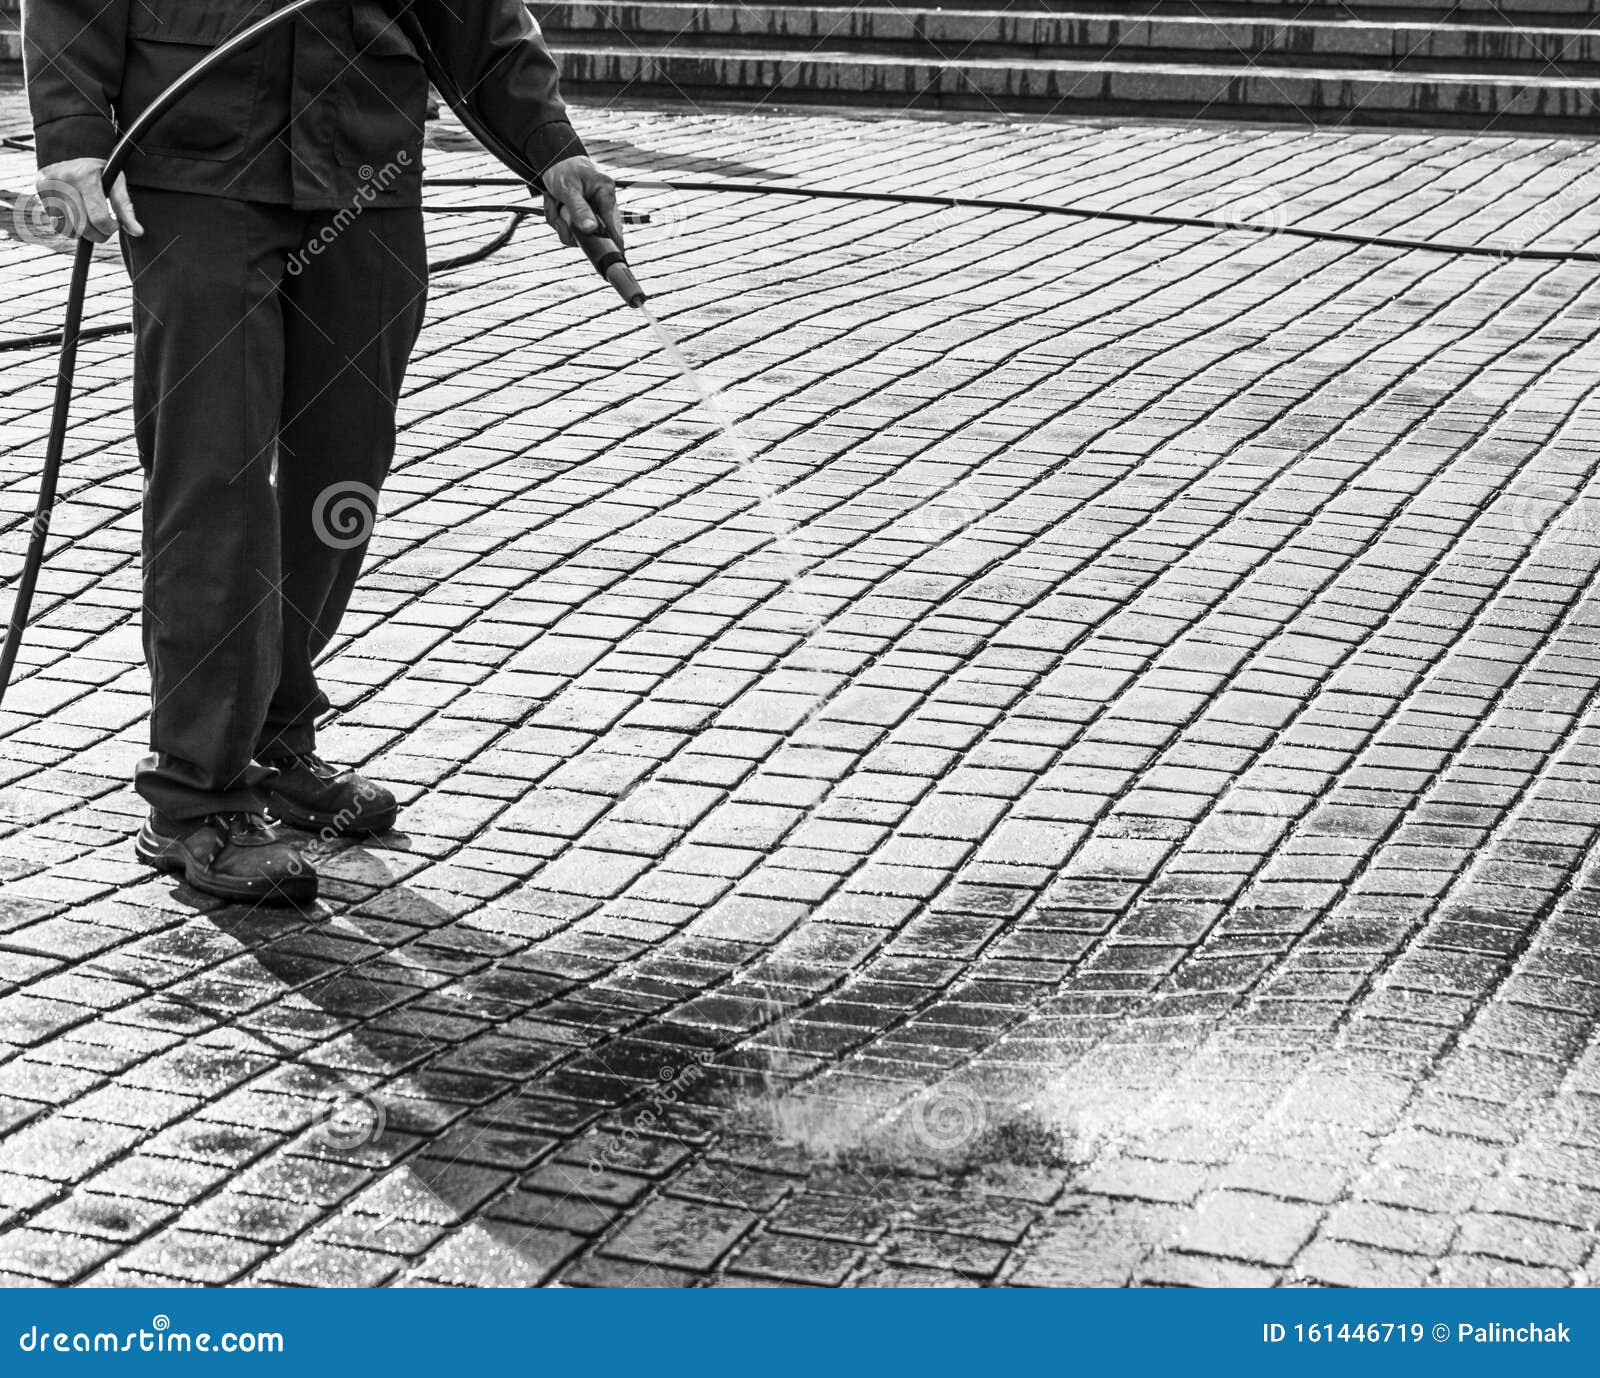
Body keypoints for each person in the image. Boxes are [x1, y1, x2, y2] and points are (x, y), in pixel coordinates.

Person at [22, 0, 620, 905]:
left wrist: (551, 144)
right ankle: (196, 793)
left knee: (343, 472)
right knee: (214, 475)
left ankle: (271, 727)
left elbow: (475, 13)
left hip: (364, 167)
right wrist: (71, 136)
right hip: (196, 170)